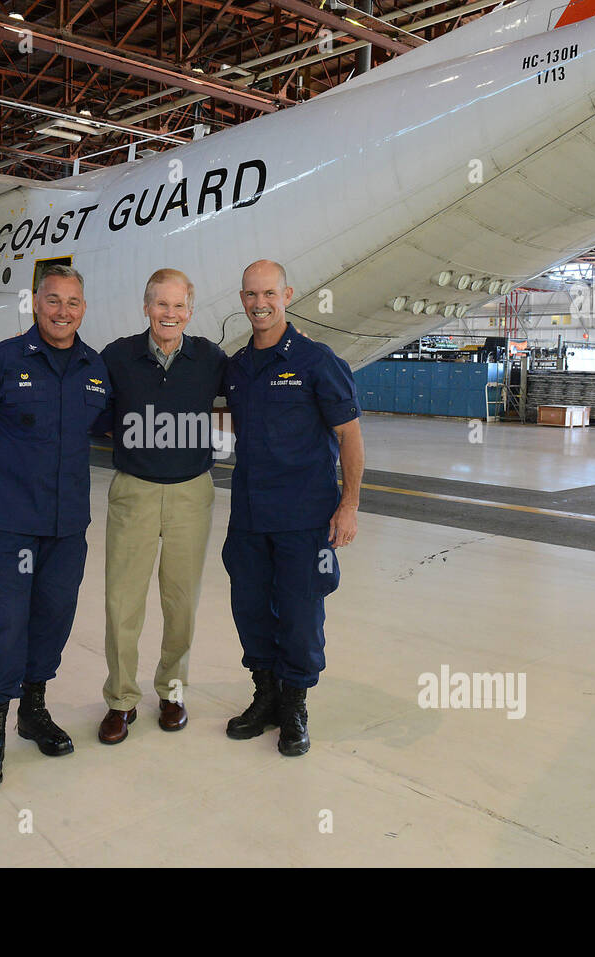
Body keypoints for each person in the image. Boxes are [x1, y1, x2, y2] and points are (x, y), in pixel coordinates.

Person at [0, 264, 112, 788]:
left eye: (73, 303)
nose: (63, 311)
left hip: (67, 527)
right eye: (54, 300)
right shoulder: (0, 361)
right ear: (36, 304)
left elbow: (105, 425)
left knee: (53, 618)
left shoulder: (94, 368)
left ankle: (33, 710)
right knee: (7, 621)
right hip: (12, 524)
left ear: (84, 309)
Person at [220, 259, 364, 756]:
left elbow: (349, 436)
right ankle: (266, 697)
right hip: (250, 516)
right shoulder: (236, 367)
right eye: (251, 295)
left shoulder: (316, 360)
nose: (260, 304)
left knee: (302, 614)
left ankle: (295, 705)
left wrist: (349, 505)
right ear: (242, 299)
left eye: (269, 294)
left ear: (287, 295)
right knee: (251, 609)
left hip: (305, 518)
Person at [96, 268, 227, 744]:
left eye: (178, 306)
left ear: (190, 311)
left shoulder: (211, 359)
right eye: (161, 304)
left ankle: (172, 692)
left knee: (181, 601)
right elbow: (94, 412)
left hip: (192, 491)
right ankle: (121, 700)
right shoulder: (117, 357)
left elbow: (244, 403)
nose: (170, 314)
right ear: (146, 306)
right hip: (134, 490)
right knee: (122, 600)